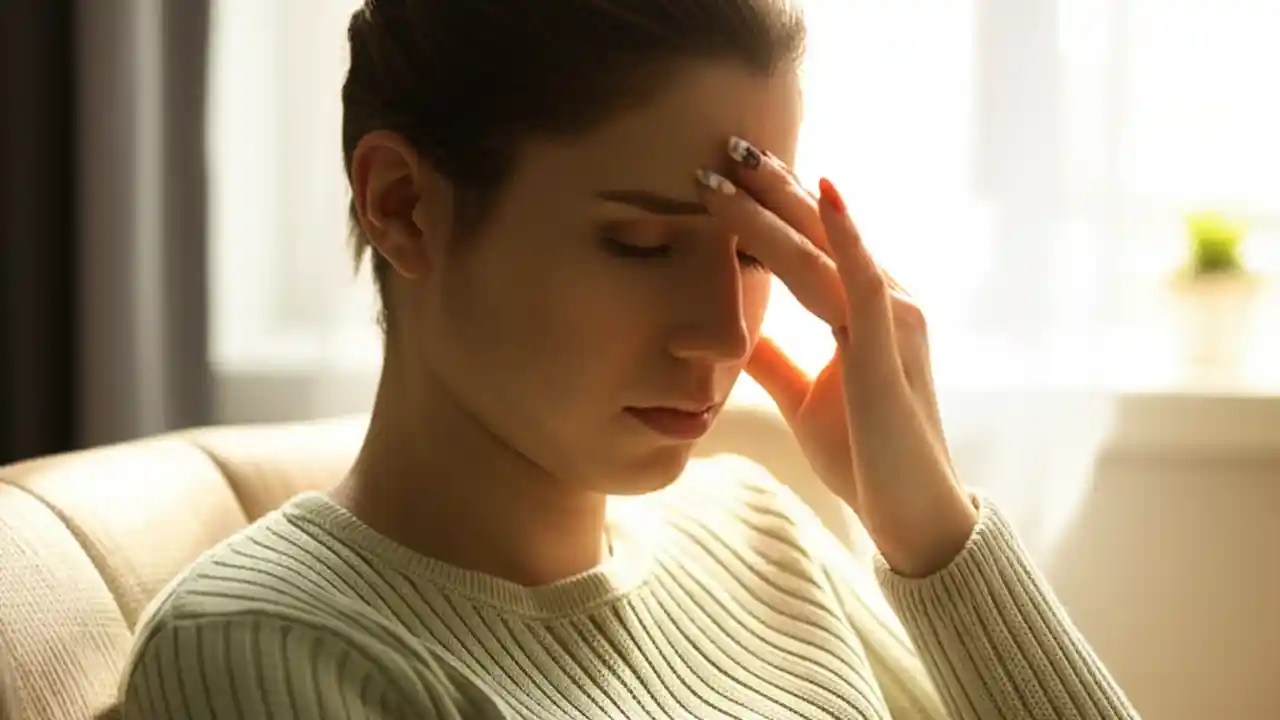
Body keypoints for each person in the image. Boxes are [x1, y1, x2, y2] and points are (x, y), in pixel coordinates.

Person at [117, 0, 1142, 717]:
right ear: (400, 205)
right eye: (638, 245)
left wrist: (931, 531)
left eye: (750, 250)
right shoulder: (265, 649)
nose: (725, 336)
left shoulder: (757, 536)